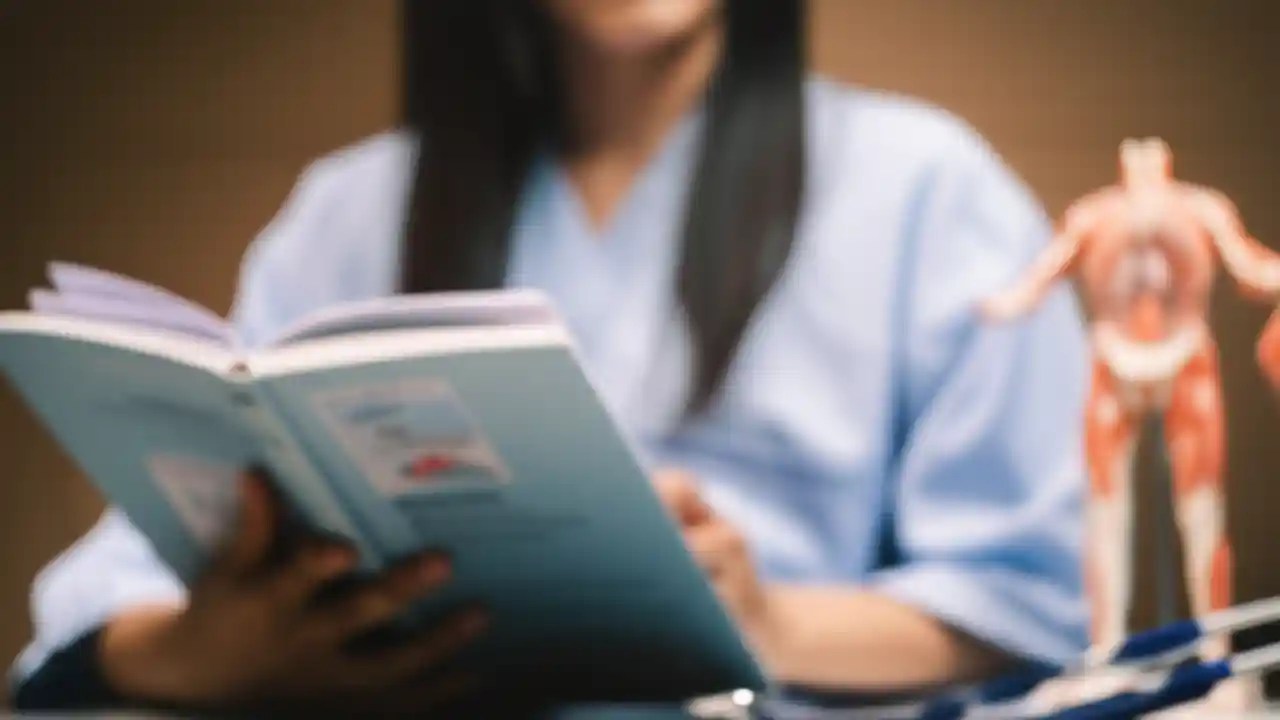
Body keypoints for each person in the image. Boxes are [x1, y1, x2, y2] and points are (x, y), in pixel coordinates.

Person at [11, 0, 1090, 714]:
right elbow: (117, 595)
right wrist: (203, 654)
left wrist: (770, 621)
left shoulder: (926, 190)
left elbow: (1023, 606)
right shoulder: (349, 213)